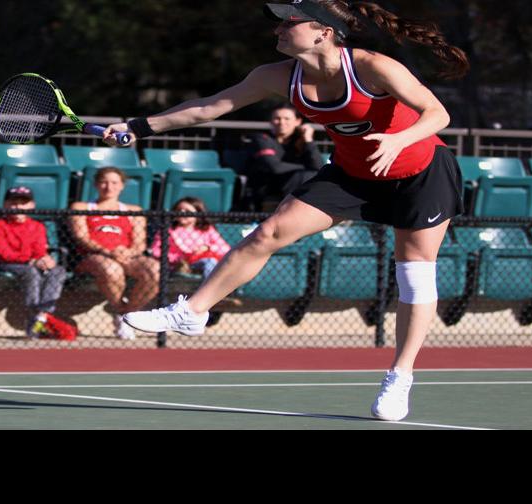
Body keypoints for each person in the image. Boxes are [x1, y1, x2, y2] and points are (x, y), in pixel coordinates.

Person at [107, 0, 468, 422]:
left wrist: (398, 141)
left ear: (323, 32)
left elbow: (437, 113)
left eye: (287, 24)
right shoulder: (275, 76)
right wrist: (138, 126)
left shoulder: (373, 67)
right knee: (269, 232)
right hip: (353, 173)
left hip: (419, 170)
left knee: (414, 271)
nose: (277, 31)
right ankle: (191, 312)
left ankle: (400, 375)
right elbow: (211, 107)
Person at [69, 167, 160, 340]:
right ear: (96, 184)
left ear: (122, 186)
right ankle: (120, 312)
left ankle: (127, 314)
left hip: (125, 255)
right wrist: (108, 252)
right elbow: (81, 237)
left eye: (114, 183)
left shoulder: (134, 211)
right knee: (111, 269)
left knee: (155, 270)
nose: (109, 187)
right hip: (94, 256)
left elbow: (139, 243)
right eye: (104, 182)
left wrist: (128, 252)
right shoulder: (81, 207)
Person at [0, 186, 76, 341]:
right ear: (6, 205)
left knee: (58, 271)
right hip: (6, 264)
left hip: (30, 263)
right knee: (31, 272)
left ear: (31, 205)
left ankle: (43, 314)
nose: (18, 207)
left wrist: (45, 259)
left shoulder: (37, 226)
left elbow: (39, 250)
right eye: (13, 203)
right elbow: (3, 254)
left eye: (23, 203)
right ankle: (34, 320)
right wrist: (31, 260)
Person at [245, 104, 326, 210]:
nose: (282, 122)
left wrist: (309, 140)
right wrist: (304, 167)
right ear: (271, 121)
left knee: (312, 175)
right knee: (304, 174)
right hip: (266, 186)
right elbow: (275, 167)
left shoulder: (301, 141)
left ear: (298, 122)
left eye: (287, 118)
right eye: (277, 118)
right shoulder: (262, 139)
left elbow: (319, 168)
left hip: (294, 186)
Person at [149, 197, 231, 281]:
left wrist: (207, 248)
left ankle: (213, 290)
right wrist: (178, 257)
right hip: (177, 265)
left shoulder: (207, 229)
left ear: (198, 214)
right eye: (178, 210)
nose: (182, 213)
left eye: (187, 211)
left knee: (210, 262)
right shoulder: (168, 230)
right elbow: (156, 251)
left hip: (200, 261)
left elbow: (225, 248)